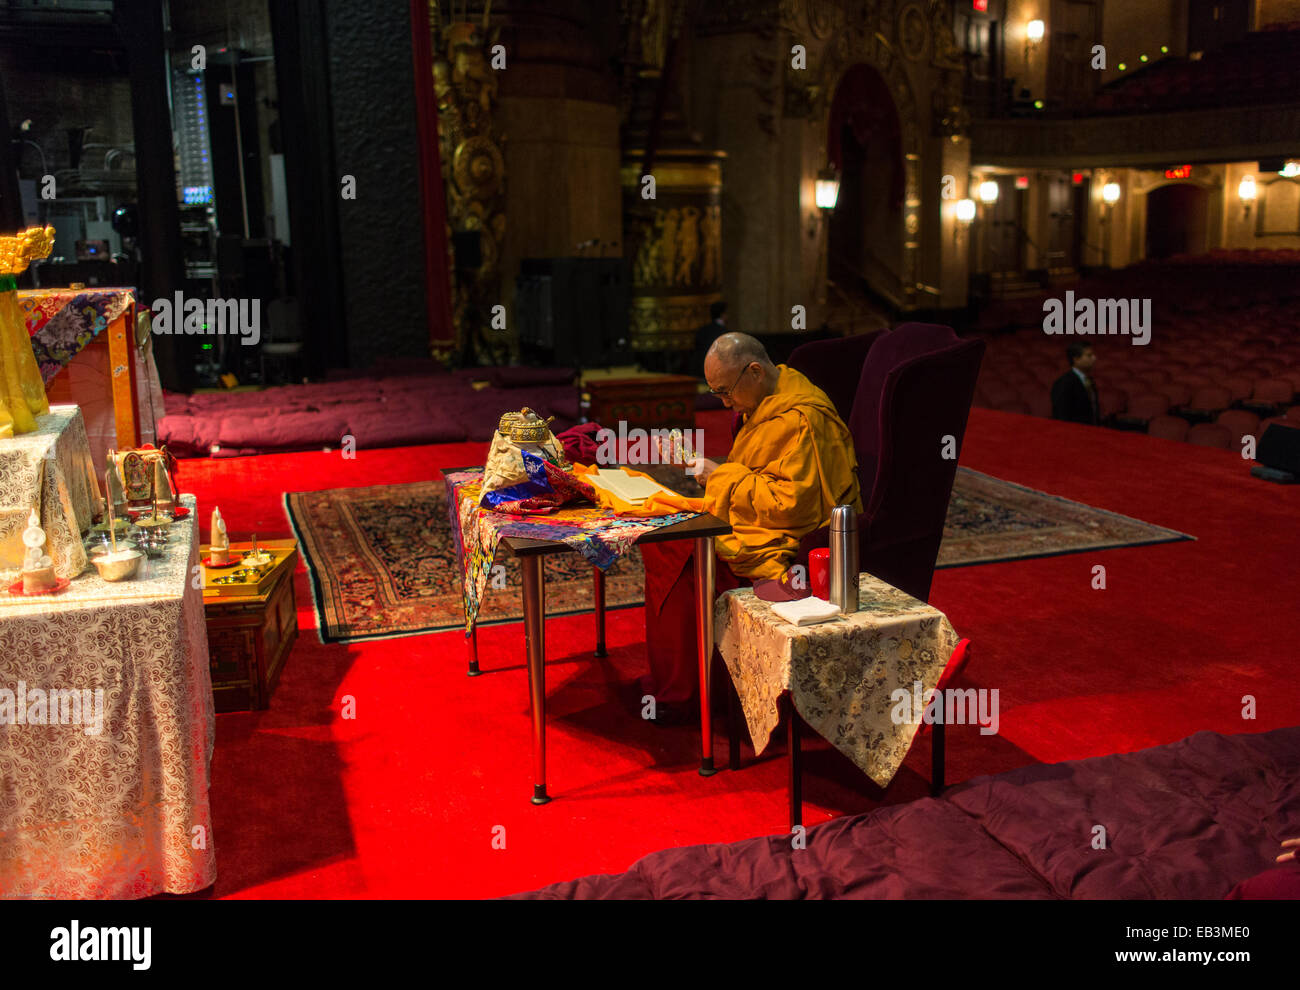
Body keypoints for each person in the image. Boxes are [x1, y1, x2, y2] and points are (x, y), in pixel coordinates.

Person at [640, 332, 861, 717]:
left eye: (725, 391)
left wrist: (718, 476)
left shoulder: (801, 417)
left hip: (790, 539)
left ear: (755, 371)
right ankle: (683, 682)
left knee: (682, 556)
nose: (725, 403)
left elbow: (792, 507)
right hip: (756, 518)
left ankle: (691, 695)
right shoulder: (768, 401)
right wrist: (700, 467)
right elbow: (757, 473)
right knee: (663, 535)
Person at [1050, 343, 1100, 425]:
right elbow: (1062, 415)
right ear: (1076, 359)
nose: (1094, 358)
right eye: (1089, 355)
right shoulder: (1064, 383)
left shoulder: (1089, 380)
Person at [688, 301, 727, 378]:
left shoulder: (702, 331)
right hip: (717, 373)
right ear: (723, 314)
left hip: (701, 371)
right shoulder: (725, 333)